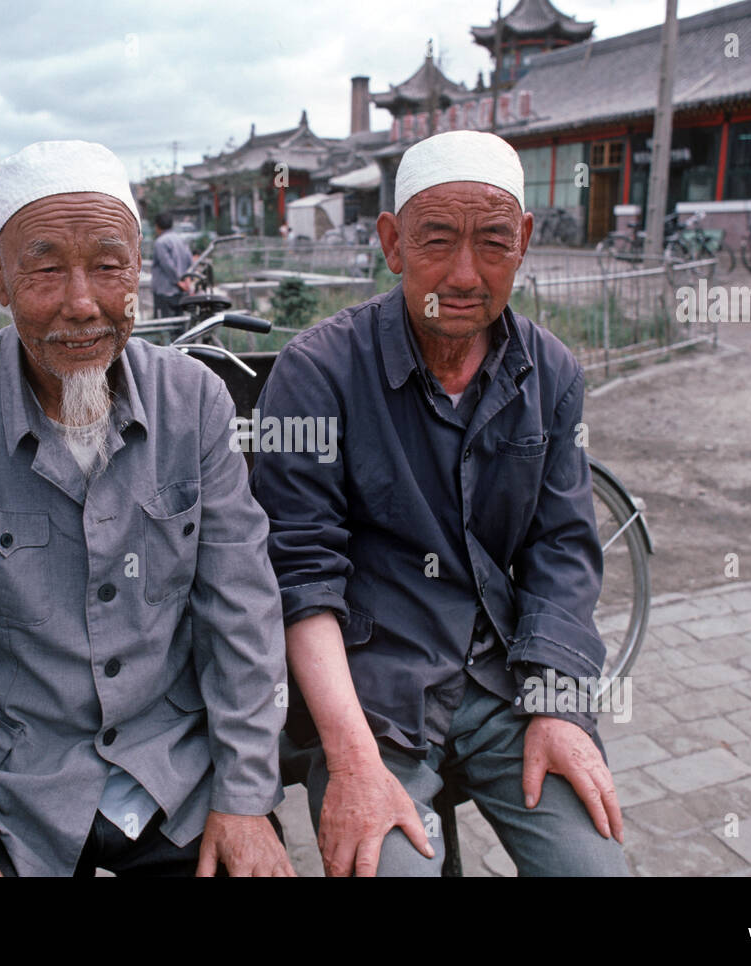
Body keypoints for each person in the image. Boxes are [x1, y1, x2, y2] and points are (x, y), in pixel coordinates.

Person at [0, 139, 294, 878]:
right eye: (46, 268)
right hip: (12, 795)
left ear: (138, 270)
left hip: (173, 777)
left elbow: (241, 610)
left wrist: (244, 795)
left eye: (108, 266)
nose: (82, 303)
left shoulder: (195, 403)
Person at [250, 130, 631, 877]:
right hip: (373, 699)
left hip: (505, 682)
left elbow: (563, 552)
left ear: (522, 241)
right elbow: (299, 577)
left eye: (493, 243)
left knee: (596, 867)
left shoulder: (548, 371)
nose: (464, 275)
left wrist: (558, 704)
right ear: (392, 243)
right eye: (436, 241)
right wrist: (353, 762)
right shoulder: (318, 372)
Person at [149, 212, 192, 319]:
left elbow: (166, 264)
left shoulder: (160, 242)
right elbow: (189, 261)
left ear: (157, 226)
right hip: (180, 293)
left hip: (165, 292)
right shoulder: (181, 240)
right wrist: (186, 281)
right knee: (180, 326)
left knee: (164, 328)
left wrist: (178, 282)